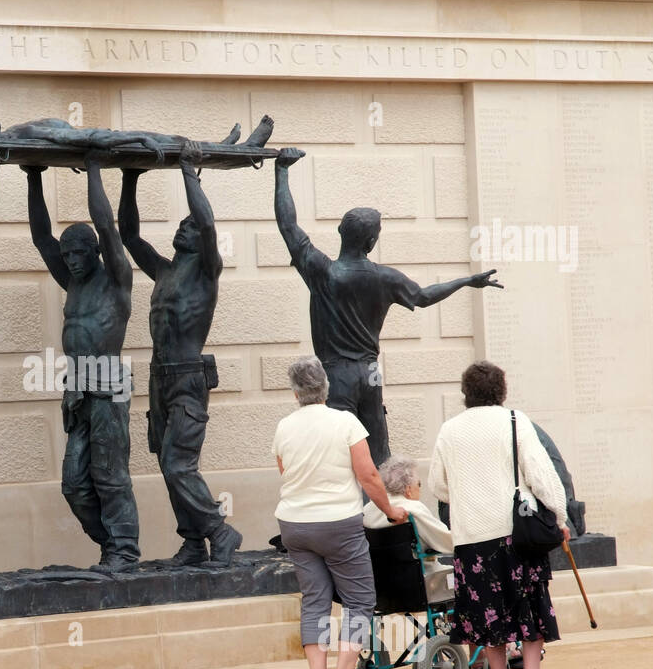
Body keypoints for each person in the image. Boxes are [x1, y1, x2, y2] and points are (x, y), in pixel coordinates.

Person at [273, 147, 503, 465]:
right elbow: (424, 296)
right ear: (371, 243)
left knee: (339, 450)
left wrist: (281, 171)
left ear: (341, 232)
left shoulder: (324, 272)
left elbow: (288, 227)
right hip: (370, 374)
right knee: (378, 453)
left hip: (337, 374)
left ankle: (353, 510)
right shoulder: (385, 278)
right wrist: (466, 281)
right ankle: (385, 510)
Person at [118, 141, 243, 566]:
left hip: (189, 375)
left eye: (187, 227)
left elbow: (207, 224)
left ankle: (220, 530)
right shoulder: (164, 270)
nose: (182, 229)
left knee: (177, 464)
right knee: (165, 462)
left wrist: (189, 171)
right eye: (181, 226)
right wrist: (130, 177)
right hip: (159, 378)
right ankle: (192, 541)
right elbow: (129, 235)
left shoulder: (207, 270)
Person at [429, 360, 570, 669]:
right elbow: (540, 473)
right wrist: (561, 514)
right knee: (530, 603)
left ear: (466, 393)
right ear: (501, 391)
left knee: (487, 609)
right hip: (514, 532)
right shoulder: (514, 420)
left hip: (471, 536)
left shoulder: (449, 430)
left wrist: (466, 496)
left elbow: (437, 484)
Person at [24, 153, 139, 570]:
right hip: (78, 389)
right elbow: (41, 237)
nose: (69, 258)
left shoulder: (117, 278)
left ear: (95, 253)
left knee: (109, 475)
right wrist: (34, 175)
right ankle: (110, 545)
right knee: (74, 483)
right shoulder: (71, 281)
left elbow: (108, 227)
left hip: (108, 384)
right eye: (66, 253)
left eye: (77, 252)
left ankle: (125, 551)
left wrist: (93, 170)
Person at [272, 355, 406, 669]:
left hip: (294, 524)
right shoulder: (346, 422)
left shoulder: (284, 426)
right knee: (360, 602)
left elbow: (285, 471)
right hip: (339, 524)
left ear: (294, 392)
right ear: (325, 387)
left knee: (314, 603)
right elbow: (369, 476)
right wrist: (390, 511)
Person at [0, 115, 274, 163]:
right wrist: (132, 138)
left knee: (172, 139)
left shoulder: (15, 137)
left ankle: (230, 147)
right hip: (109, 143)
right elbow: (80, 138)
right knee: (166, 142)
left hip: (106, 141)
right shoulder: (23, 136)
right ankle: (244, 150)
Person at [363, 456, 452, 554]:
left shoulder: (368, 509)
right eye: (419, 484)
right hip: (424, 567)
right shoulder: (413, 508)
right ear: (408, 489)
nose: (420, 489)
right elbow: (446, 542)